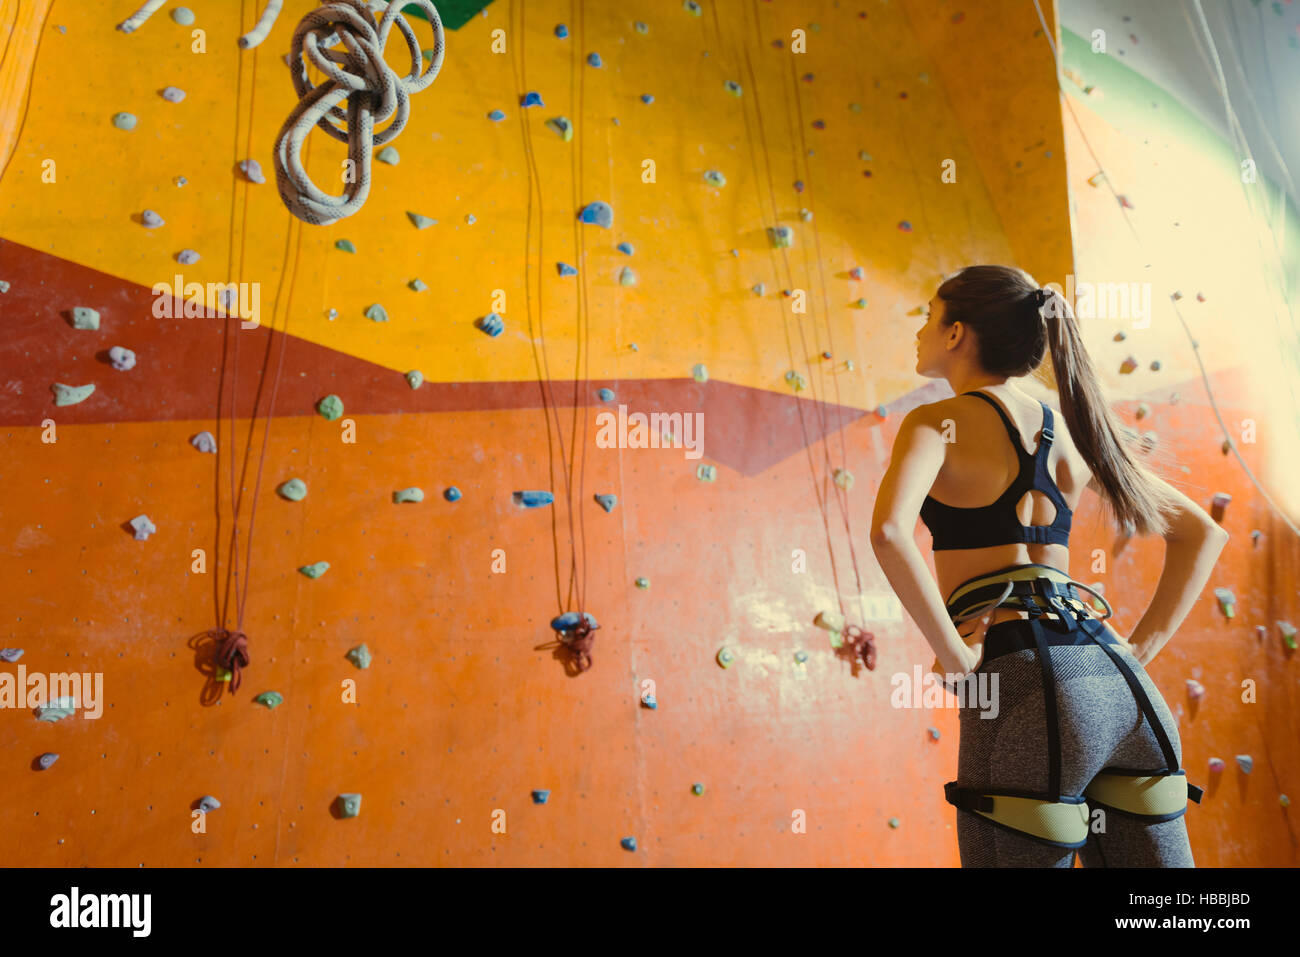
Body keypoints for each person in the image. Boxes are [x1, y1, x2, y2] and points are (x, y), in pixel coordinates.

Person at [869, 265, 1229, 867]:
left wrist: (957, 657)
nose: (920, 332)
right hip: (1121, 685)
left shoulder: (936, 423)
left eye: (927, 316)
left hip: (1027, 685)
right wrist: (1136, 655)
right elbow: (1203, 532)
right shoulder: (1073, 429)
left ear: (956, 332)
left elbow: (887, 533)